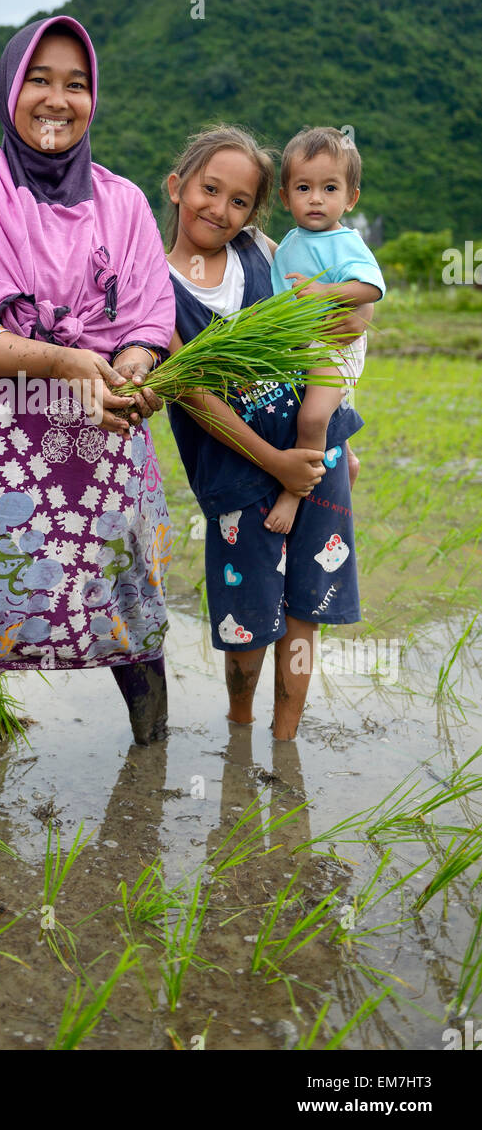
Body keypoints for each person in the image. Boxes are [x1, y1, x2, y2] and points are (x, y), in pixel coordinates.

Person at [0, 15, 176, 792]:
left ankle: (151, 759)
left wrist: (127, 369)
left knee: (127, 601)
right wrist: (65, 359)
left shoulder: (122, 203)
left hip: (103, 445)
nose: (58, 99)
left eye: (77, 84)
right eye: (40, 80)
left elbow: (151, 319)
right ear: (8, 88)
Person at [164, 125, 371, 740]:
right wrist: (276, 464)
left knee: (307, 605)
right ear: (178, 187)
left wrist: (340, 444)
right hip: (236, 471)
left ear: (256, 211)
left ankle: (284, 745)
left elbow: (338, 322)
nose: (220, 209)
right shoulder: (154, 283)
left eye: (240, 201)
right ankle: (238, 729)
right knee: (247, 615)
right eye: (209, 190)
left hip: (314, 456)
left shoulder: (265, 252)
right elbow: (193, 396)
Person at [264, 126, 385, 534]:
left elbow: (372, 287)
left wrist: (326, 291)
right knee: (309, 407)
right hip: (301, 347)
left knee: (313, 417)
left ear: (350, 198)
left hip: (335, 346)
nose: (316, 198)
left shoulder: (346, 242)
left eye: (330, 188)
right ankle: (346, 458)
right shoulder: (291, 242)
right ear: (285, 197)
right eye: (303, 187)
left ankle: (295, 493)